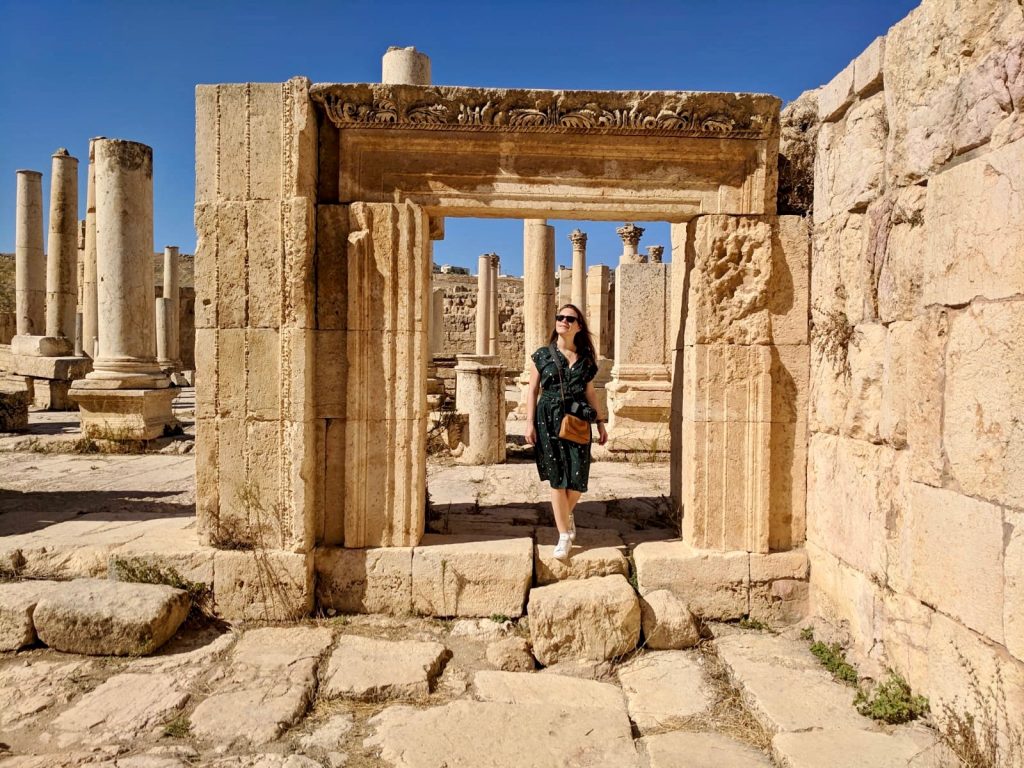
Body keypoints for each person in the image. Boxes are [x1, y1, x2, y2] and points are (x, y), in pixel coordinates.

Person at [524, 303, 608, 560]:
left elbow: (590, 392)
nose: (563, 321)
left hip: (577, 421)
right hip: (547, 419)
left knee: (578, 479)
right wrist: (528, 422)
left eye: (569, 319)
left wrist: (601, 422)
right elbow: (532, 390)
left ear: (578, 326)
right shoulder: (542, 355)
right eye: (559, 317)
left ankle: (565, 514)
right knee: (557, 478)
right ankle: (563, 535)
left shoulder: (586, 362)